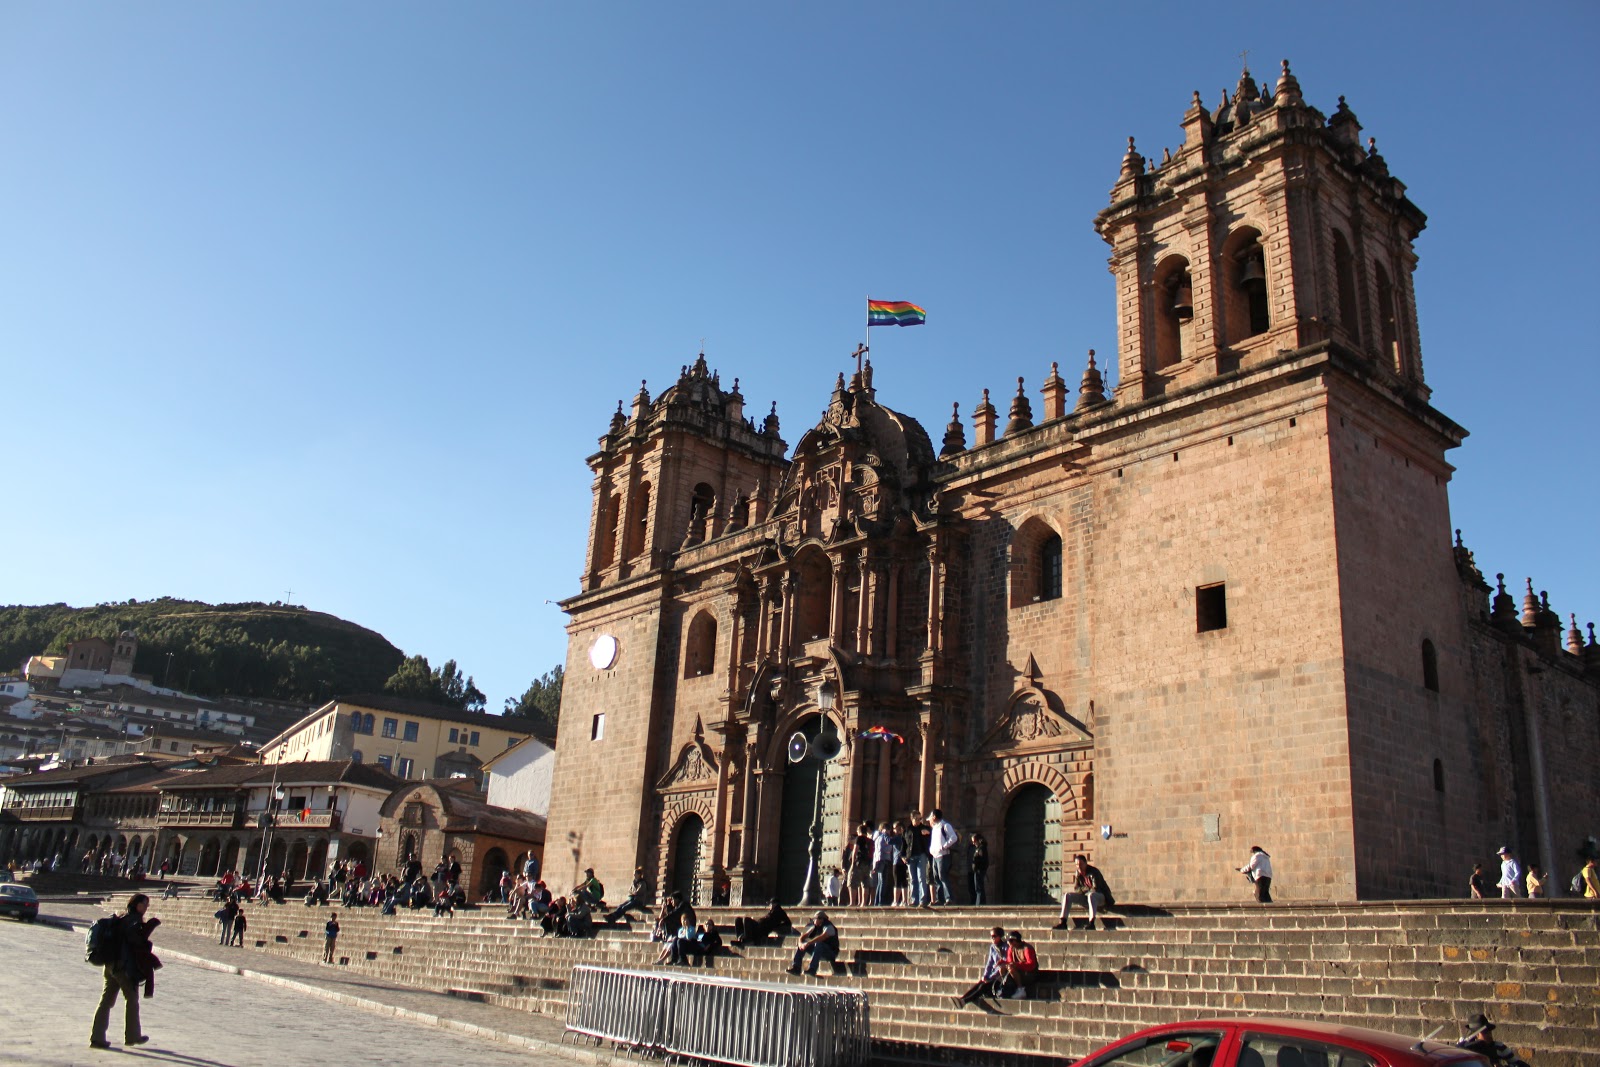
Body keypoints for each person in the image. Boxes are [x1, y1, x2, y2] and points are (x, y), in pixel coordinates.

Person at [89, 893, 159, 1049]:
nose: (147, 907)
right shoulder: (133, 921)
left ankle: (97, 1037)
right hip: (123, 967)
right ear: (137, 905)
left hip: (110, 965)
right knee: (132, 1000)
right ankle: (132, 1036)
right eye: (145, 904)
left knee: (106, 1001)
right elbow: (135, 942)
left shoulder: (121, 918)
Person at [1055, 853, 1116, 931]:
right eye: (1077, 865)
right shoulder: (1077, 873)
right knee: (1067, 895)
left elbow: (1095, 888)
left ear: (1085, 863)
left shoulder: (1094, 872)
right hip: (1086, 896)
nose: (1079, 867)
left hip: (1100, 897)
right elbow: (1076, 888)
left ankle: (1091, 923)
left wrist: (1083, 890)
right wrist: (1086, 888)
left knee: (1091, 895)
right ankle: (1063, 922)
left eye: (1080, 864)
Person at [952, 927, 1007, 1008]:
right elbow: (990, 962)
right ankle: (962, 999)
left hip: (1000, 976)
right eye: (991, 936)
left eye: (994, 936)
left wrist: (991, 977)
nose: (992, 938)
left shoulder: (1006, 947)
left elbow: (1004, 963)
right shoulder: (993, 947)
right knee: (979, 984)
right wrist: (985, 976)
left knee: (983, 987)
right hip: (992, 975)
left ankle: (964, 1001)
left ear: (1000, 936)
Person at [785, 911, 839, 977]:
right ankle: (796, 967)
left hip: (831, 953)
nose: (814, 920)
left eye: (816, 918)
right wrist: (800, 943)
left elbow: (822, 937)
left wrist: (808, 943)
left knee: (819, 944)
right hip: (819, 951)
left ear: (822, 919)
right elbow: (803, 936)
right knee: (803, 943)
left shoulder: (829, 926)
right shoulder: (815, 927)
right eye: (814, 918)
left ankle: (812, 969)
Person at [928, 809, 959, 906]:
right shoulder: (934, 828)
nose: (930, 820)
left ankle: (948, 897)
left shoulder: (945, 826)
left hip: (943, 855)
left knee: (943, 876)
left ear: (934, 817)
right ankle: (939, 899)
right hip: (935, 855)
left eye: (931, 818)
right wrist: (932, 850)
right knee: (937, 877)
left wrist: (944, 846)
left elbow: (954, 837)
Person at [996, 930, 1038, 999]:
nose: (1008, 943)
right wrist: (1003, 962)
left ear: (1015, 941)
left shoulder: (1027, 948)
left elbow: (1031, 965)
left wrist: (1017, 965)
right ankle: (1005, 987)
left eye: (1009, 941)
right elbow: (1010, 961)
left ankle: (1020, 989)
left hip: (1029, 973)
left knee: (1011, 969)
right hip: (1018, 971)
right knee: (1002, 968)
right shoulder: (1011, 949)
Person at [905, 812, 932, 908]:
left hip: (921, 855)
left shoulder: (925, 828)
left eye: (920, 818)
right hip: (911, 856)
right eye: (916, 818)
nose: (918, 820)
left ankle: (922, 899)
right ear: (911, 818)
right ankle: (913, 900)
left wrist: (928, 833)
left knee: (922, 877)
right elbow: (904, 844)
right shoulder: (907, 830)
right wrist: (903, 856)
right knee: (912, 879)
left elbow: (932, 834)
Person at [845, 823, 874, 907]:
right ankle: (863, 903)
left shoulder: (859, 838)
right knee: (865, 884)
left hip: (859, 863)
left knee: (852, 882)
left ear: (859, 831)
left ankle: (852, 903)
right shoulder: (870, 841)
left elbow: (855, 851)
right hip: (868, 864)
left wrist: (853, 864)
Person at [871, 822, 898, 906]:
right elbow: (887, 848)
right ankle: (880, 901)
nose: (890, 832)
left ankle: (877, 901)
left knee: (880, 882)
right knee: (883, 882)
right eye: (889, 830)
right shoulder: (883, 837)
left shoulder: (877, 837)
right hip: (884, 859)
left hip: (879, 860)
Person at [968, 833, 989, 906]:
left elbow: (981, 859)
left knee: (978, 888)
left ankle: (979, 904)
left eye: (974, 841)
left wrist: (976, 861)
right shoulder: (980, 848)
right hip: (978, 870)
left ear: (978, 840)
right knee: (979, 888)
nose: (973, 843)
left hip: (979, 870)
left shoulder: (981, 848)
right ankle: (981, 903)